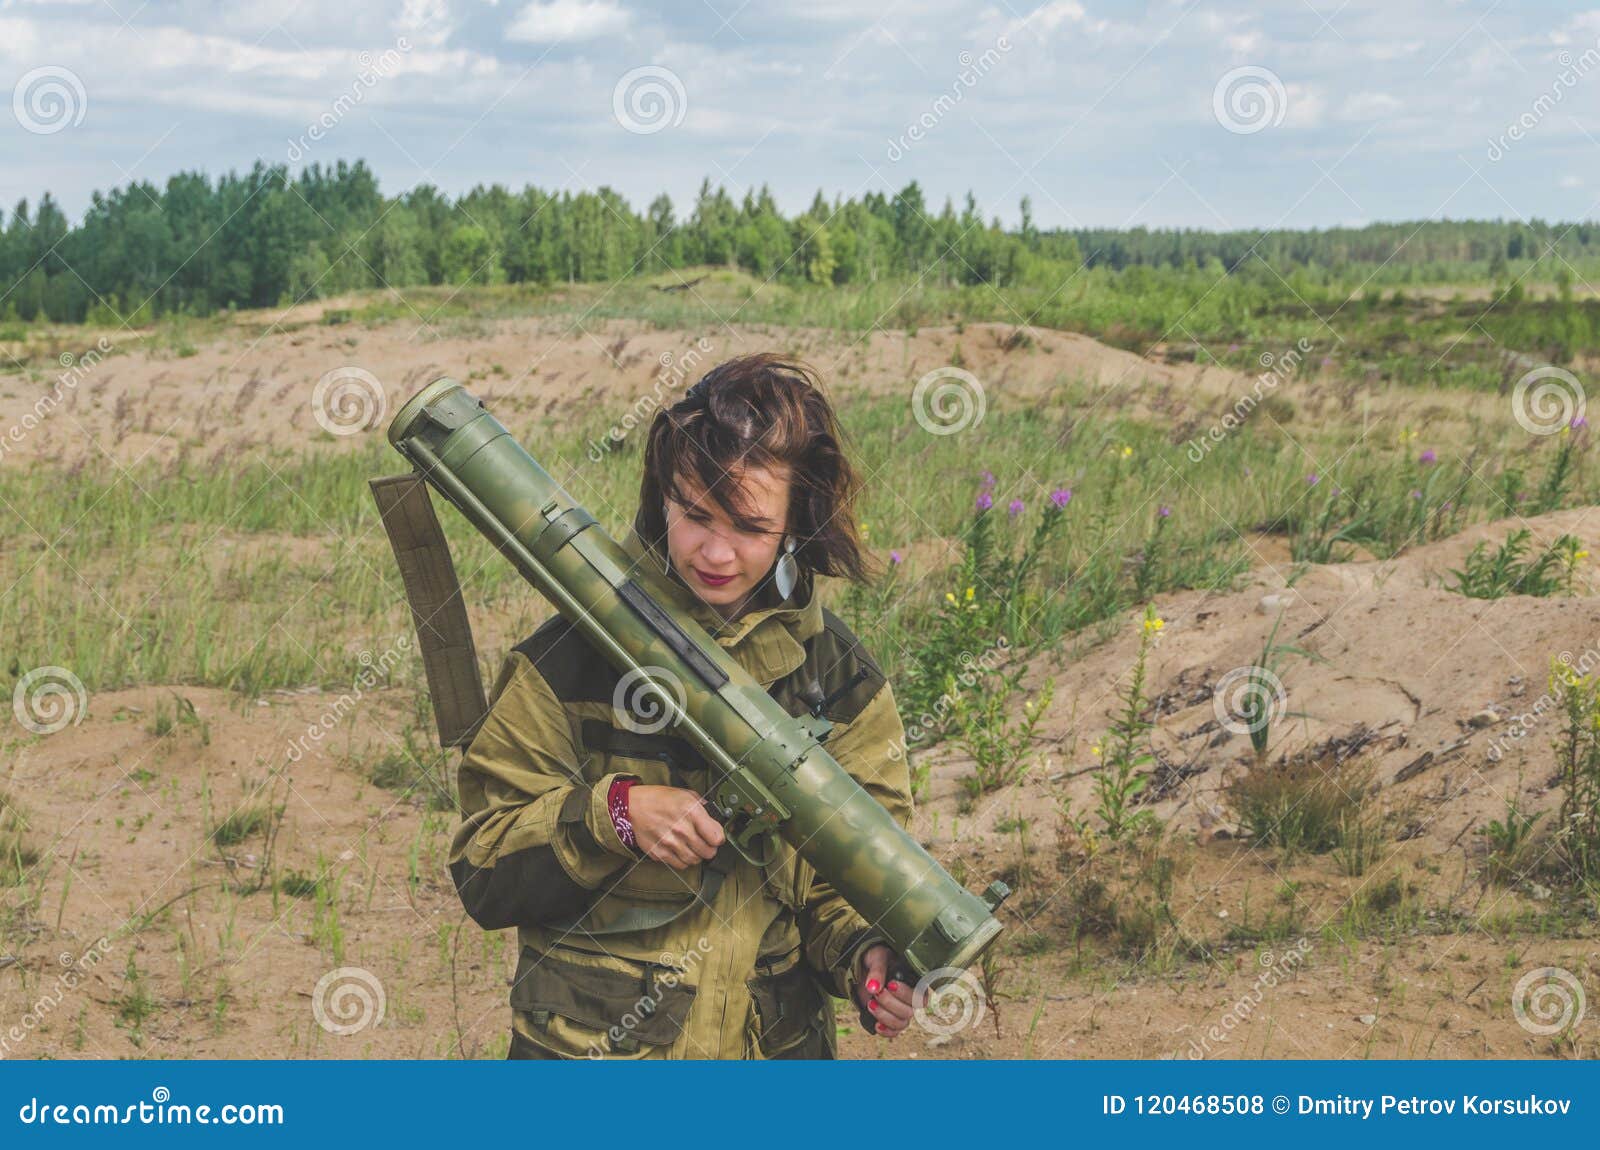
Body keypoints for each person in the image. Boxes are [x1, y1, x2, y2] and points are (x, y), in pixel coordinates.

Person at [447, 352, 918, 1059]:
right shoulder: (569, 659)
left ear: (796, 521)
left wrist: (868, 952)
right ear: (659, 495)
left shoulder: (838, 679)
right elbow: (484, 870)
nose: (717, 552)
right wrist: (612, 815)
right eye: (694, 513)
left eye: (751, 528)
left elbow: (854, 876)